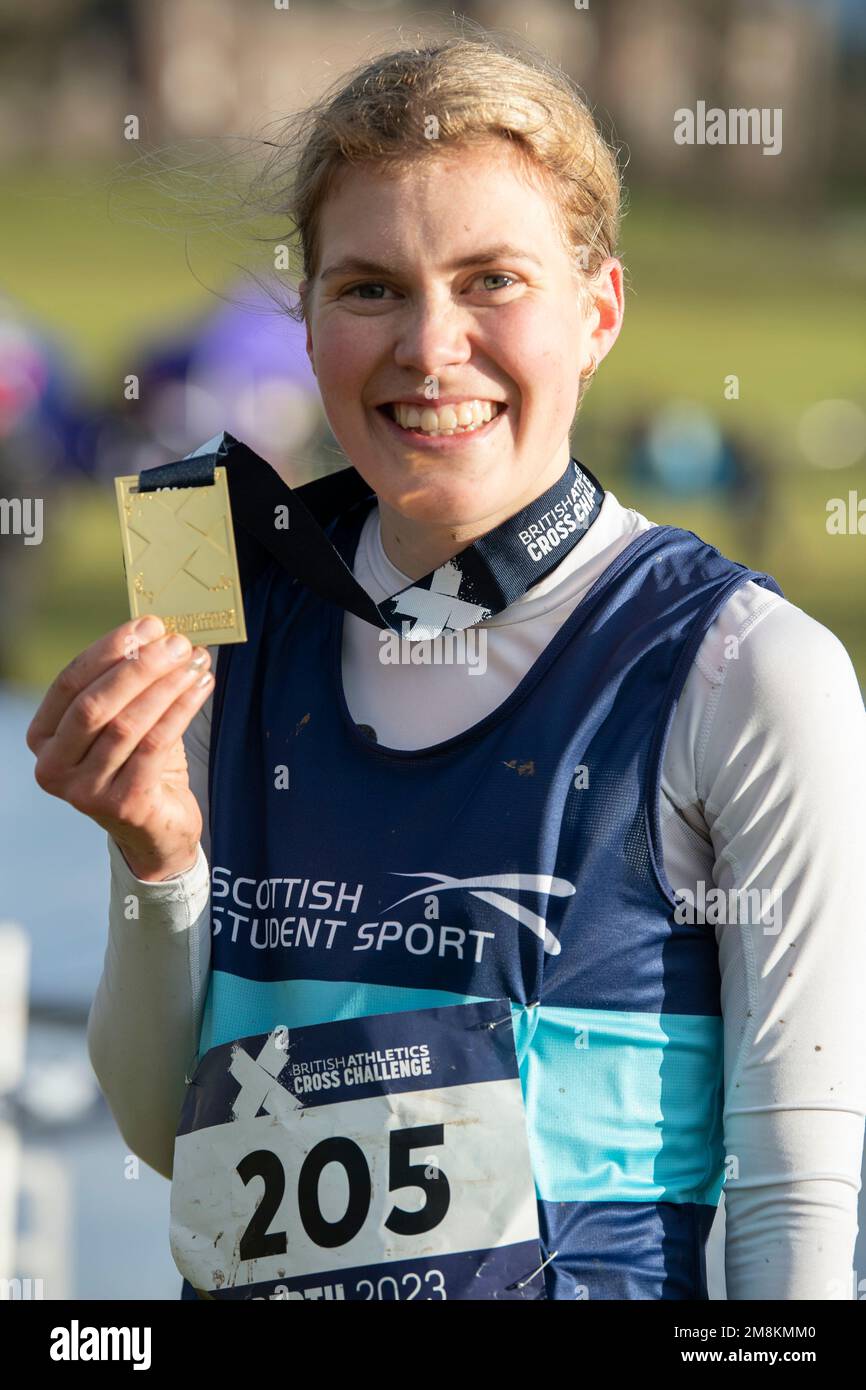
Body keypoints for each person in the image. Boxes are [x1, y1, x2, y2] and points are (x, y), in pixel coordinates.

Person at [26, 32, 866, 1301]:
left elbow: (798, 1201)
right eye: (368, 288)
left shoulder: (745, 667)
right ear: (304, 322)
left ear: (596, 313)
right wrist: (156, 861)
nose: (429, 347)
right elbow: (171, 1142)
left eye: (491, 281)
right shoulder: (209, 590)